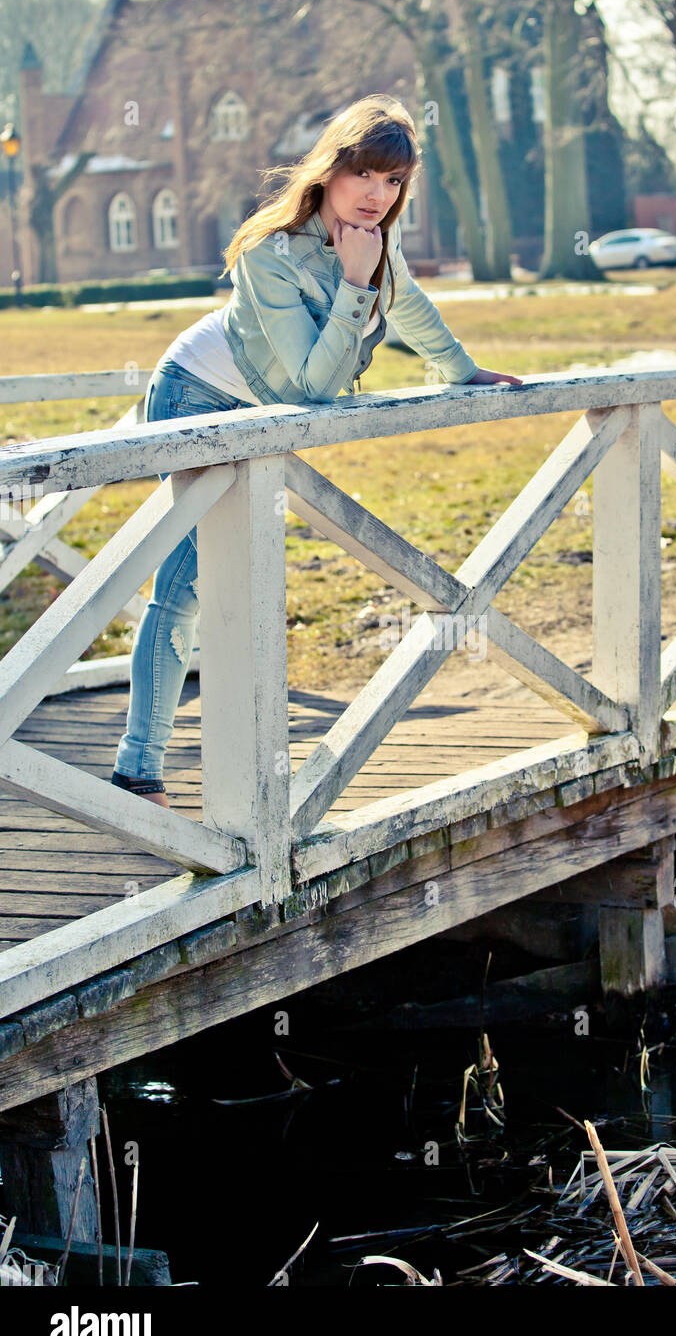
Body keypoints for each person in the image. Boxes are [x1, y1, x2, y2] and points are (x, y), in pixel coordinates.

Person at [111, 93, 522, 809]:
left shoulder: (376, 247)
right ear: (331, 169)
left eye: (393, 182)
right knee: (181, 593)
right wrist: (356, 285)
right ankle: (135, 772)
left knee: (226, 584)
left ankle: (223, 771)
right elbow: (313, 388)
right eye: (364, 173)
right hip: (197, 394)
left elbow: (411, 306)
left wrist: (459, 369)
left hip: (259, 412)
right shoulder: (272, 256)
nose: (376, 194)